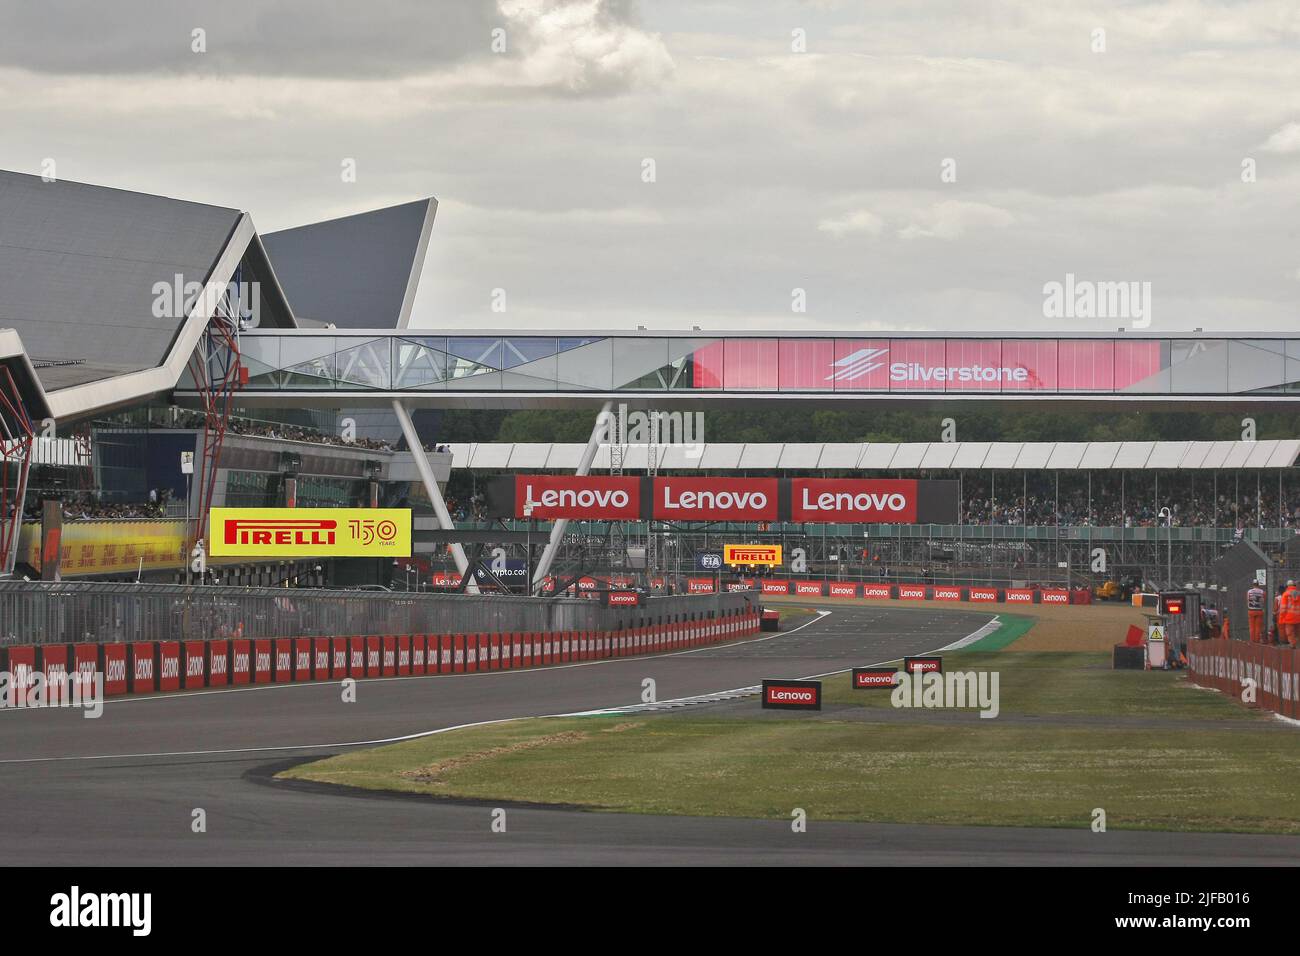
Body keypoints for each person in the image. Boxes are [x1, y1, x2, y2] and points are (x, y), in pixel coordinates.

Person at [1281, 580, 1300, 648]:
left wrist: (1281, 618)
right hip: (1298, 617)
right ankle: (1297, 644)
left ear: (1287, 586)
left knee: (1290, 632)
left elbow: (1283, 608)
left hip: (1289, 617)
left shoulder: (1285, 594)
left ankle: (1292, 644)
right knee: (1297, 632)